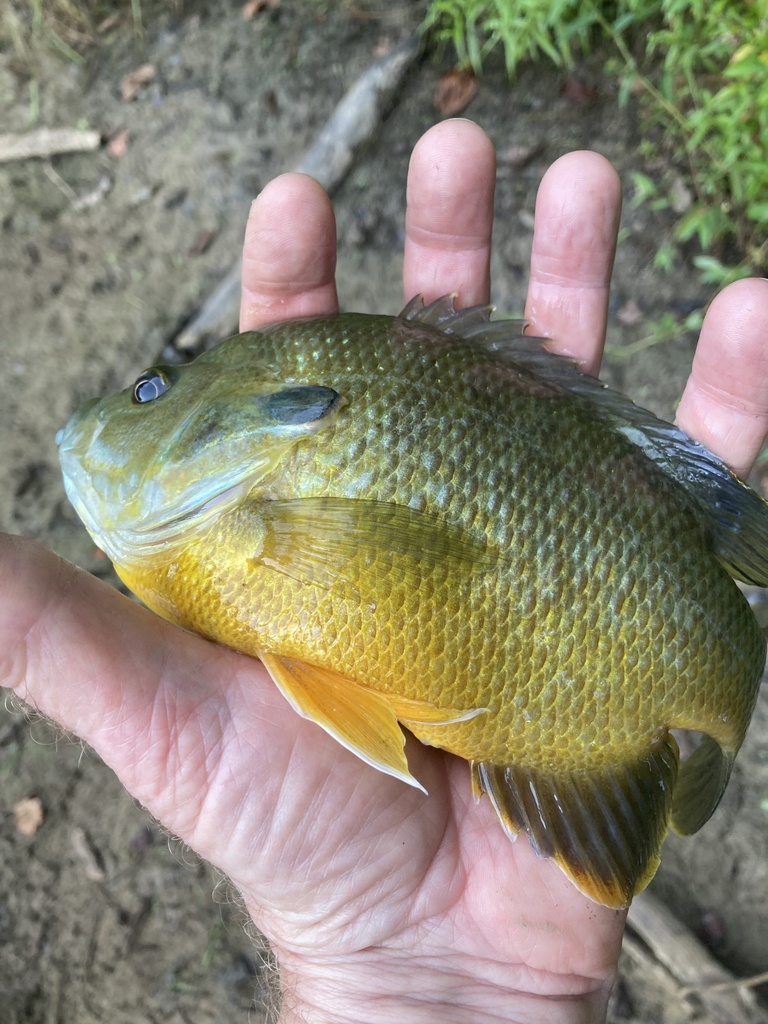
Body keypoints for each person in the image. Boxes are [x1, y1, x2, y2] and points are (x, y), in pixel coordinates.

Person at [2, 119, 768, 1024]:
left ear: (264, 412)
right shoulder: (226, 527)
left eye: (149, 393)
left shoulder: (257, 509)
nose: (124, 409)